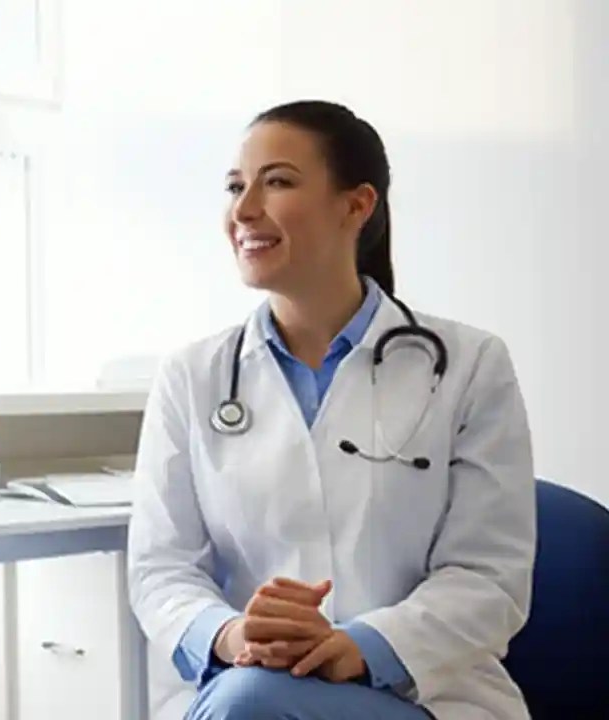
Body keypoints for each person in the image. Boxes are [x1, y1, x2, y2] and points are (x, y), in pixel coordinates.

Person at [127, 100, 536, 720]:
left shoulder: (470, 365)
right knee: (250, 697)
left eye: (279, 182)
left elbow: (489, 577)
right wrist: (235, 635)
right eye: (236, 186)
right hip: (243, 679)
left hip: (419, 694)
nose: (243, 210)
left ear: (356, 205)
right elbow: (160, 569)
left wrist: (357, 647)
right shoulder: (192, 376)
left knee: (251, 705)